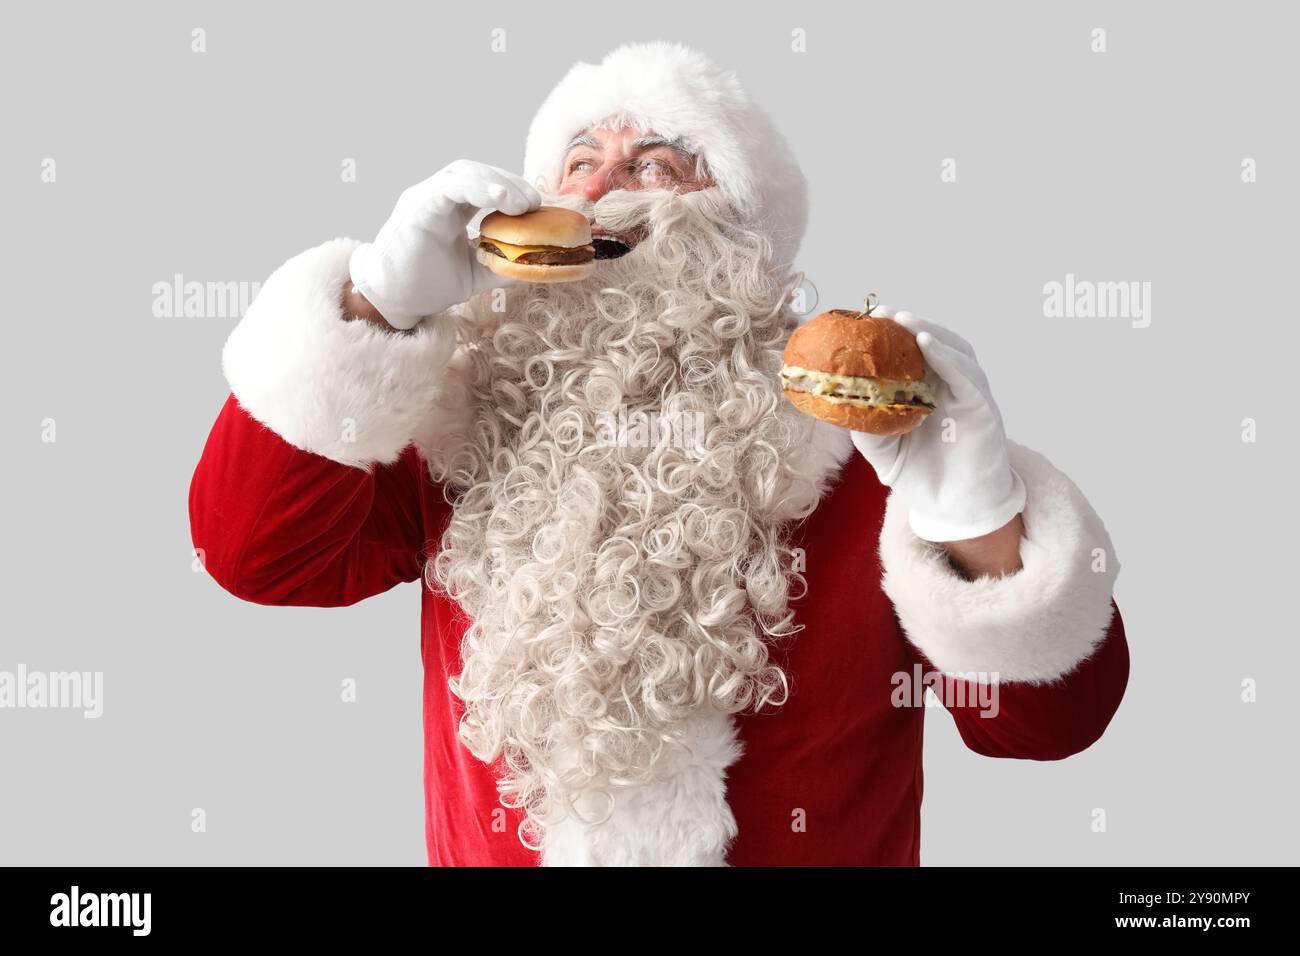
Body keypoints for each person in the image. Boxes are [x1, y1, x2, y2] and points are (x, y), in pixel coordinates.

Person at [189, 41, 1128, 866]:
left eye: (655, 164)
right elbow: (255, 556)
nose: (599, 188)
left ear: (739, 224)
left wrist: (976, 515)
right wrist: (373, 309)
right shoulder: (457, 425)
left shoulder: (869, 447)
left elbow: (1047, 731)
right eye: (579, 161)